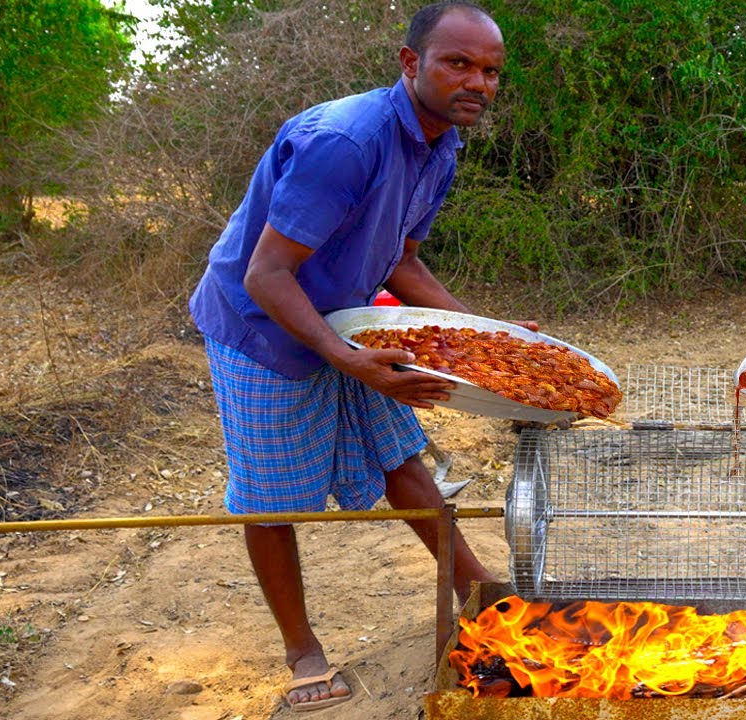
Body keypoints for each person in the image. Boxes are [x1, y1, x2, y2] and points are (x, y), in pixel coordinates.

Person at [188, 2, 517, 712]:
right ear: (410, 63)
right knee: (272, 500)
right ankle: (302, 648)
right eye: (457, 62)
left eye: (489, 70)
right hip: (262, 328)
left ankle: (483, 595)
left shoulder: (443, 143)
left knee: (399, 455)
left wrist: (491, 337)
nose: (477, 82)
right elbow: (265, 275)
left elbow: (402, 261)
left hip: (348, 314)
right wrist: (343, 355)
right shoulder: (346, 141)